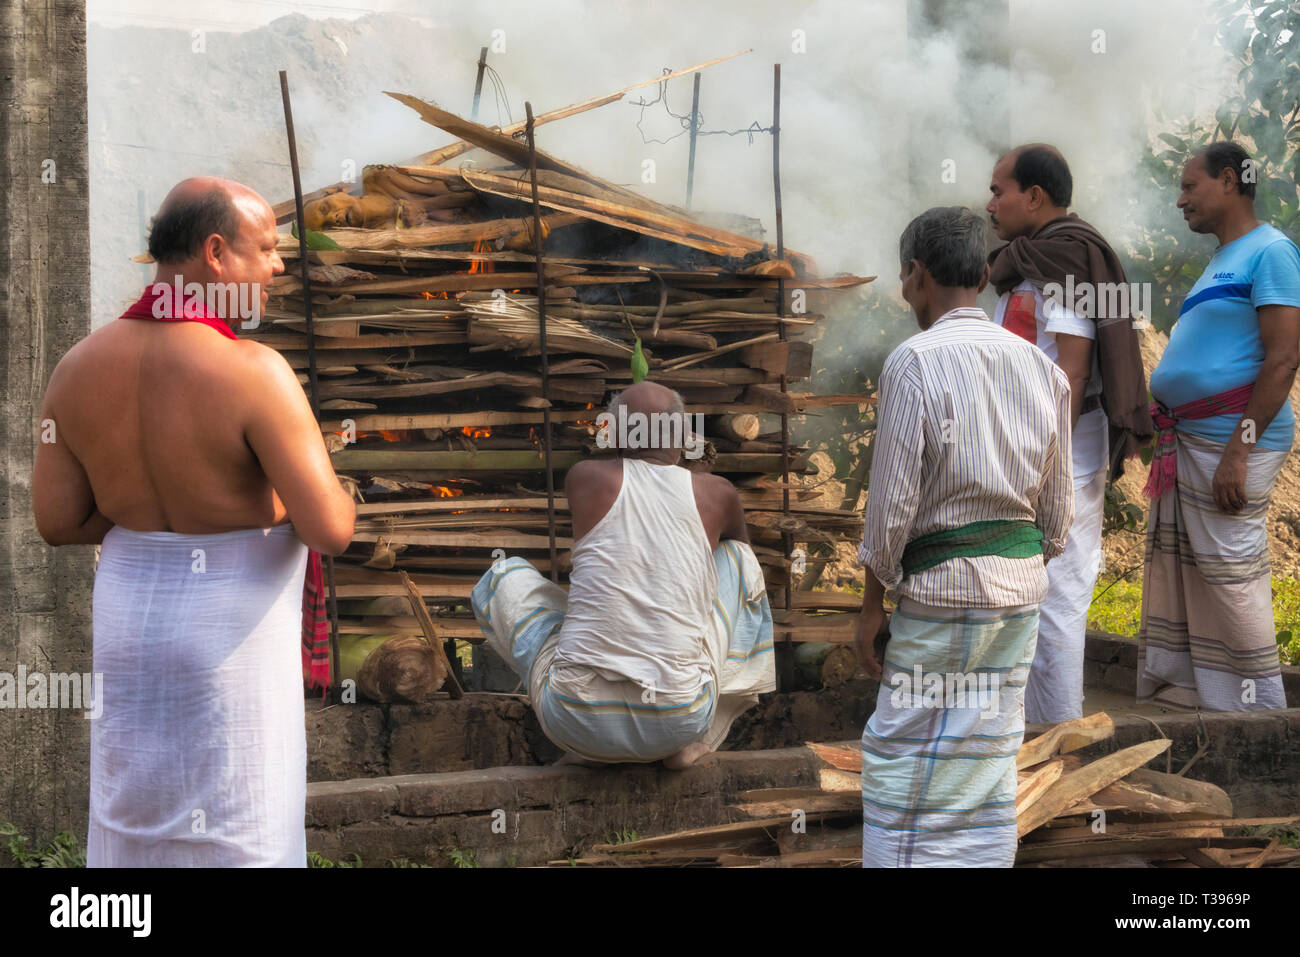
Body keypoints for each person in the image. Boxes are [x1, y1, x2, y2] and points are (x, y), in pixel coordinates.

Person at [33, 177, 356, 866]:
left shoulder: (76, 369)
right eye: (267, 248)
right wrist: (278, 504)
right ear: (215, 252)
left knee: (134, 832)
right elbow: (330, 527)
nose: (278, 266)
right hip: (229, 653)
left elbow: (58, 520)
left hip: (131, 645)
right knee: (241, 830)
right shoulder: (254, 373)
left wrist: (147, 519)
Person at [856, 206, 1073, 868]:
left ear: (918, 275)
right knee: (986, 755)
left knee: (902, 753)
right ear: (982, 274)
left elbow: (891, 506)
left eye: (905, 279)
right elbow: (1057, 517)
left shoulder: (913, 362)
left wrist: (871, 604)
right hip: (1017, 597)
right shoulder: (1043, 369)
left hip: (938, 595)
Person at [471, 381, 775, 769]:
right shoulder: (718, 493)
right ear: (684, 435)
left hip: (573, 718)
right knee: (737, 556)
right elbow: (731, 548)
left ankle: (591, 747)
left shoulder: (585, 478)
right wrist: (693, 466)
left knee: (503, 573)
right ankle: (696, 739)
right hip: (678, 720)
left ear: (613, 434)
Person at [986, 144, 1153, 724]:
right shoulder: (1028, 259)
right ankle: (1027, 733)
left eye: (999, 190)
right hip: (1021, 447)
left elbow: (1074, 371)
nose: (990, 204)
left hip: (1059, 450)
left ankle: (1062, 736)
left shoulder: (1069, 259)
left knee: (1058, 591)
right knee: (1027, 586)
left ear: (1034, 196)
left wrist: (1046, 460)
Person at [1139, 142, 1300, 711]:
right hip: (1194, 438)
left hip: (1233, 438)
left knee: (1231, 569)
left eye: (1189, 187)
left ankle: (1259, 713)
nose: (1180, 200)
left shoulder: (1272, 251)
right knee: (1195, 570)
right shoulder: (1222, 258)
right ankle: (1200, 690)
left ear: (1229, 181)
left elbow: (1283, 359)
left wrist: (1239, 451)